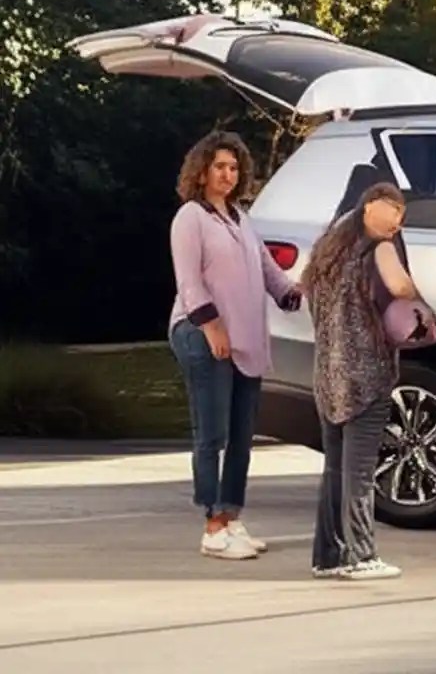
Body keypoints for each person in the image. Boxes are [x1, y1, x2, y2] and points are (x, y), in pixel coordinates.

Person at [168, 130, 301, 561]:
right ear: (202, 170)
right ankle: (212, 526)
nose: (228, 174)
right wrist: (212, 329)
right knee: (213, 434)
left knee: (243, 435)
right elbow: (189, 283)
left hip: (245, 339)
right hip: (201, 333)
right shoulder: (191, 217)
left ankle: (232, 516)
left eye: (234, 167)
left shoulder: (242, 218)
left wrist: (297, 291)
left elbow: (269, 273)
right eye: (220, 167)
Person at [302, 182, 417, 580]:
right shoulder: (378, 249)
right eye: (394, 211)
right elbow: (401, 287)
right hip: (367, 376)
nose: (398, 222)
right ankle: (362, 556)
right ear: (370, 206)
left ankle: (328, 557)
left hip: (329, 376)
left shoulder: (327, 254)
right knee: (361, 472)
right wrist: (418, 300)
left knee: (335, 470)